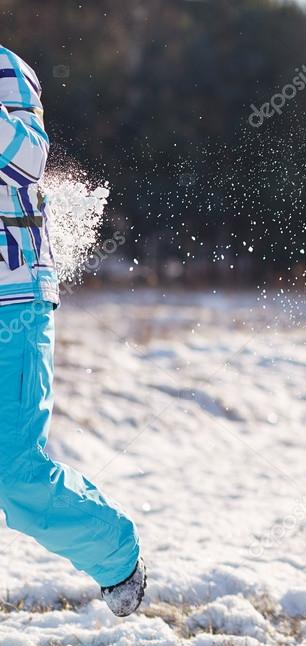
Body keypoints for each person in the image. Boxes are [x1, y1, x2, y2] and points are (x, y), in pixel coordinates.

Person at [0, 45, 145, 616]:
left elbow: (27, 159)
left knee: (15, 477)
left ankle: (115, 555)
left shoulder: (8, 70)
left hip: (14, 303)